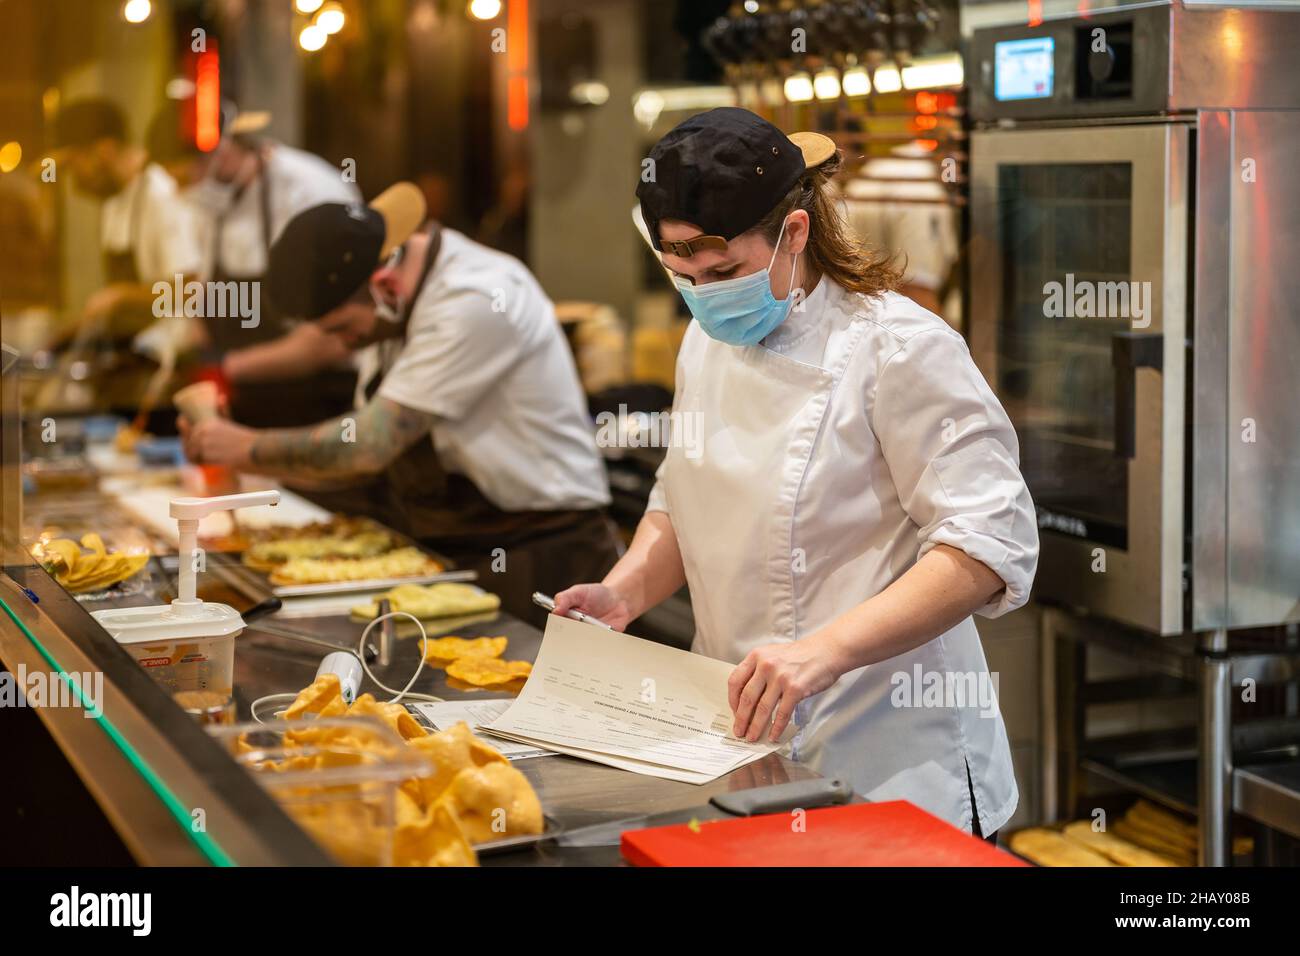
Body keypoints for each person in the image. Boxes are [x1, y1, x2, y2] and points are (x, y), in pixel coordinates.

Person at [555, 108, 1039, 839]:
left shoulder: (898, 348)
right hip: (742, 755)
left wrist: (823, 653)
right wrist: (624, 590)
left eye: (724, 272)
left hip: (894, 761)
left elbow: (986, 545)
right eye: (682, 276)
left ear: (795, 233)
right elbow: (682, 496)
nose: (705, 295)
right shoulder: (705, 341)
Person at [179, 183, 620, 625]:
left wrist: (243, 446)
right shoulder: (394, 301)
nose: (338, 344)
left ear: (383, 286)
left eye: (341, 328)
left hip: (544, 556)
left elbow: (368, 445)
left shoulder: (477, 298)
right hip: (458, 541)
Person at [148, 101, 360, 428]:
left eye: (184, 176)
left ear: (225, 152)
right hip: (240, 405)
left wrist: (226, 367)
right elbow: (204, 302)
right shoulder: (209, 202)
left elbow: (332, 338)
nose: (181, 190)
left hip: (316, 407)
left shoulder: (311, 191)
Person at [52, 97, 202, 342]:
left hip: (172, 351)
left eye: (73, 164)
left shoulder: (162, 192)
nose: (73, 179)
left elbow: (190, 291)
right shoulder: (112, 200)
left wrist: (121, 296)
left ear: (104, 151)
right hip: (130, 347)